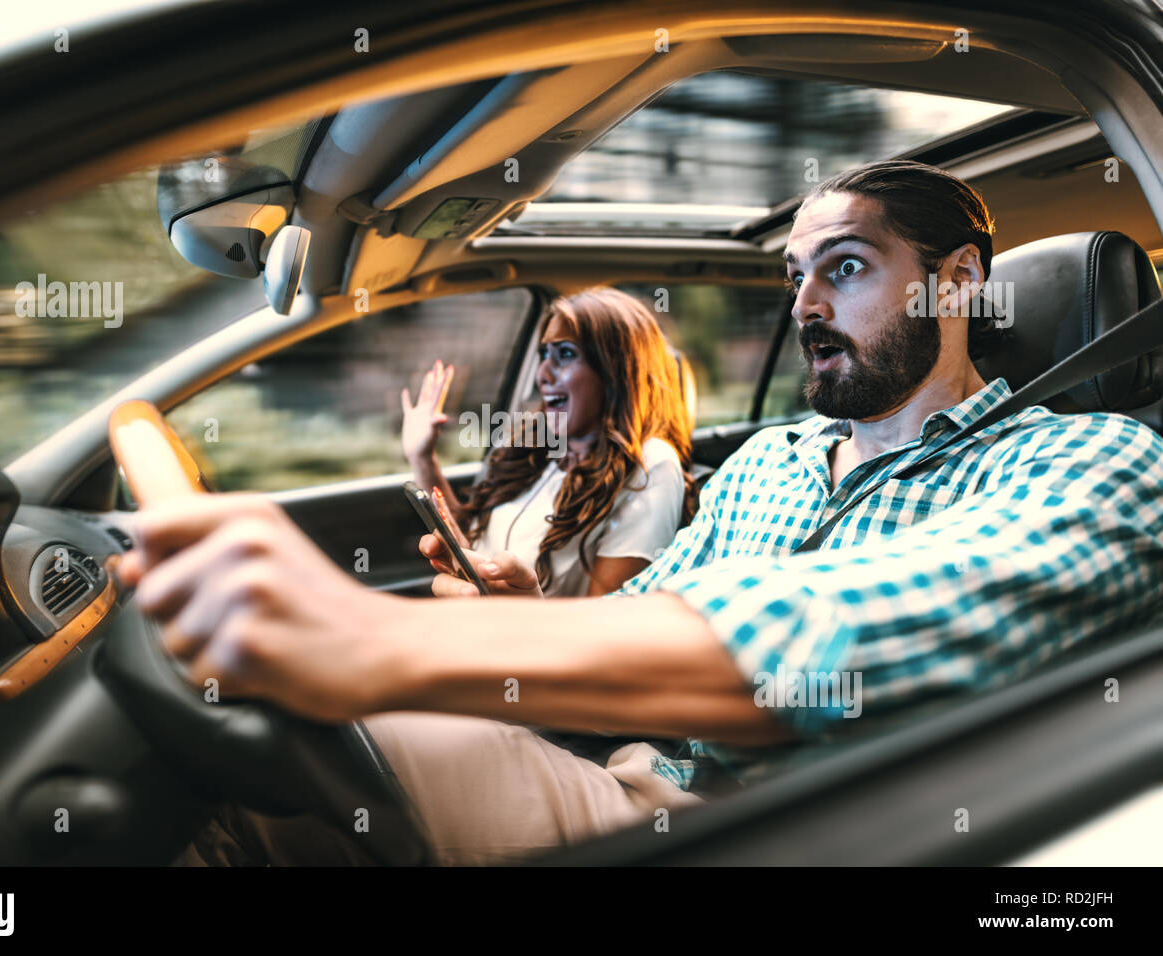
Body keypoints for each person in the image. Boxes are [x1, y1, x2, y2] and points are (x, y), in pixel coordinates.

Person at [125, 160, 1163, 866]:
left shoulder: (1096, 459)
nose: (802, 307)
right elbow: (639, 625)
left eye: (843, 269)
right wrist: (512, 620)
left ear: (958, 284)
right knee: (238, 755)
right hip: (623, 776)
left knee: (290, 744)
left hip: (796, 828)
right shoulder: (767, 460)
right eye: (794, 277)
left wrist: (365, 634)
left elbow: (829, 639)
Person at [398, 288, 696, 597]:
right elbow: (475, 542)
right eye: (544, 355)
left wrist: (525, 609)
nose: (543, 374)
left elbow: (607, 620)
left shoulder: (651, 466)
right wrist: (422, 457)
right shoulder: (538, 443)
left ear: (616, 370)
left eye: (565, 354)